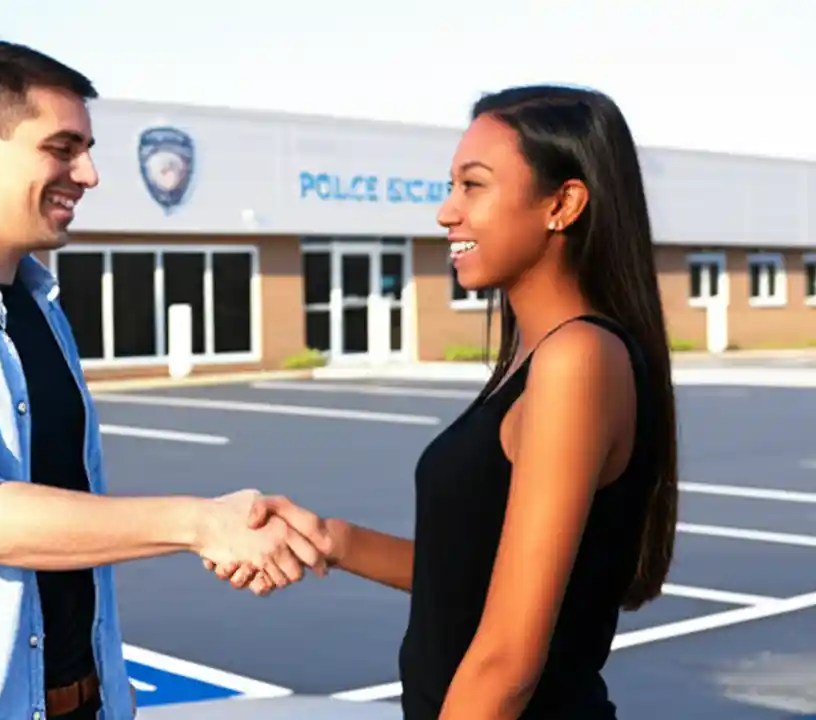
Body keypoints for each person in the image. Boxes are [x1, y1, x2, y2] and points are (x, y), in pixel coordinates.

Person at [0, 40, 332, 720]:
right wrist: (199, 523)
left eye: (86, 149)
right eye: (62, 148)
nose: (88, 173)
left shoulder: (39, 308)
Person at [209, 84, 679, 719]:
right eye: (451, 185)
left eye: (473, 185)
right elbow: (472, 578)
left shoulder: (578, 359)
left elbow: (507, 661)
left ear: (562, 204)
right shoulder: (538, 357)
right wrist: (334, 539)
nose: (446, 212)